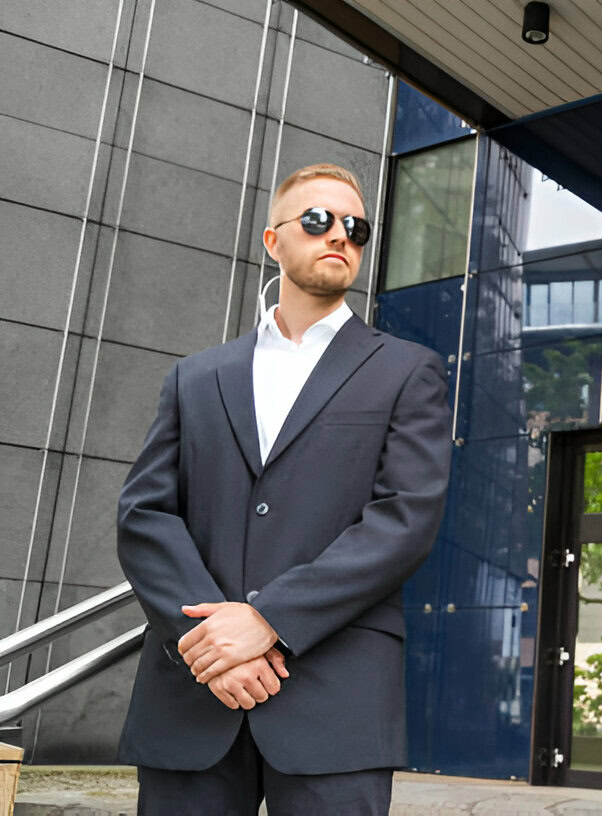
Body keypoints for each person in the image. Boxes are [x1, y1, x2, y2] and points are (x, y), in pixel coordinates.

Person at [116, 163, 451, 815]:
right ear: (273, 240)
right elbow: (145, 513)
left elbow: (404, 520)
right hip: (193, 696)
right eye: (320, 220)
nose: (341, 238)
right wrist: (214, 645)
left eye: (356, 228)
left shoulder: (410, 371)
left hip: (336, 701)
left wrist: (269, 619)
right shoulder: (195, 377)